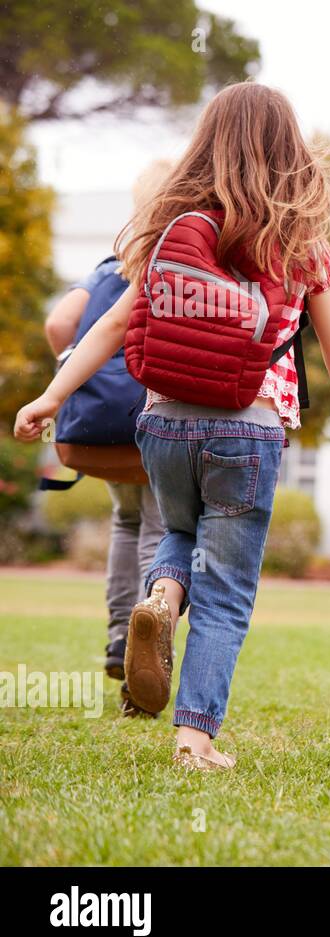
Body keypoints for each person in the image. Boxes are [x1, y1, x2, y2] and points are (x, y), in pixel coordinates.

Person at [14, 82, 330, 771]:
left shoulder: (174, 230)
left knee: (178, 535)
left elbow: (114, 323)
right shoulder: (297, 242)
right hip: (248, 429)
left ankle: (160, 594)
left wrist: (49, 394)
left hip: (160, 422)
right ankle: (194, 739)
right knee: (229, 591)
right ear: (288, 152)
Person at [42, 161, 172, 712]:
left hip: (97, 428)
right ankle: (147, 634)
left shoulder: (104, 268)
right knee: (157, 527)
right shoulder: (172, 265)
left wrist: (74, 373)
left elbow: (57, 324)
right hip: (147, 420)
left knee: (124, 521)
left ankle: (119, 637)